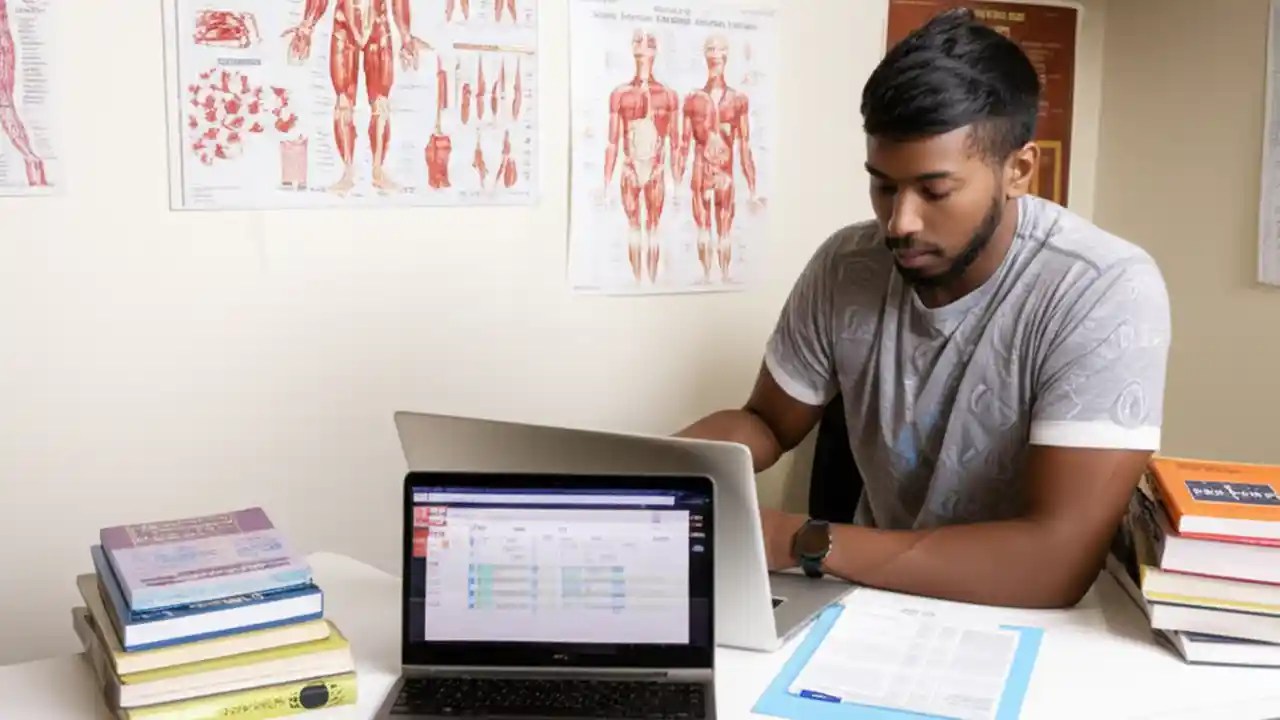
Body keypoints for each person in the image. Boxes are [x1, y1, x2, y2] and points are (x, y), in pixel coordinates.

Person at [677, 9, 1172, 609]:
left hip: (1035, 620)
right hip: (871, 592)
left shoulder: (1101, 288)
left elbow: (1055, 561)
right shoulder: (846, 264)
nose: (899, 222)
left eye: (934, 191)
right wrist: (652, 475)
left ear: (1018, 170)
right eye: (883, 185)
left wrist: (800, 540)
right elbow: (766, 424)